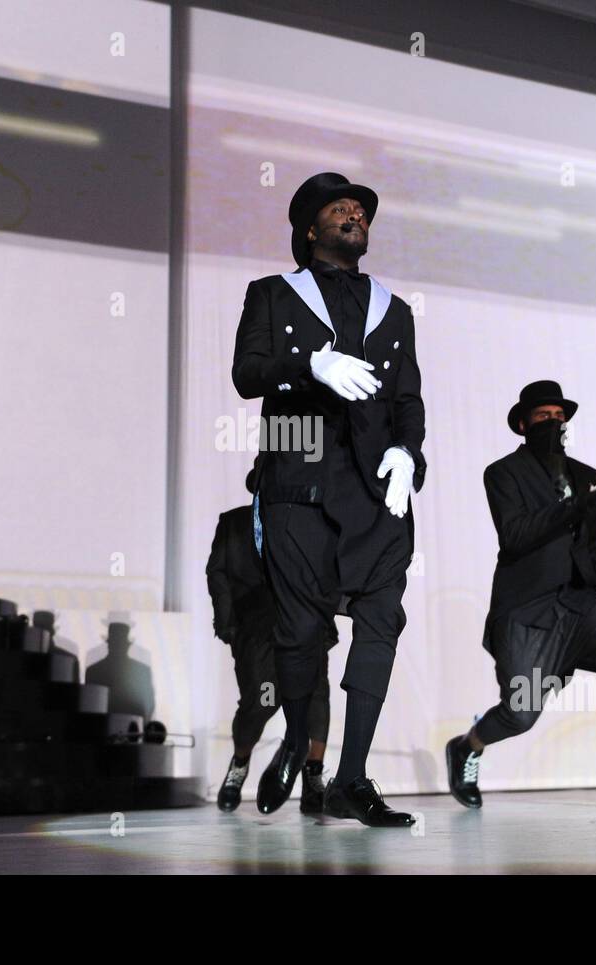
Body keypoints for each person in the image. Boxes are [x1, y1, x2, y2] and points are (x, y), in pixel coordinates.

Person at [232, 172, 426, 827]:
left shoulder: (393, 309)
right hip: (299, 478)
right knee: (302, 631)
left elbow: (407, 399)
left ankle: (350, 777)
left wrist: (408, 453)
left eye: (361, 209)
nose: (354, 213)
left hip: (376, 492)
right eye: (339, 208)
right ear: (310, 229)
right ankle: (295, 740)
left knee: (380, 623)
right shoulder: (270, 294)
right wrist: (309, 364)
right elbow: (246, 374)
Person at [445, 381, 596, 810]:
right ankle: (467, 746)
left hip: (579, 602)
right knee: (521, 713)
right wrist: (568, 510)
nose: (553, 423)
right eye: (542, 417)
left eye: (558, 416)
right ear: (523, 424)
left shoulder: (587, 477)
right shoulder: (502, 473)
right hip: (527, 607)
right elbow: (514, 535)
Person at [206, 465, 337, 814]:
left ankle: (313, 776)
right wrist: (228, 623)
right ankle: (240, 762)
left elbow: (326, 568)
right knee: (262, 700)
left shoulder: (307, 521)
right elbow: (217, 573)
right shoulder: (234, 523)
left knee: (316, 697)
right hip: (257, 631)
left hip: (307, 623)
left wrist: (326, 616)